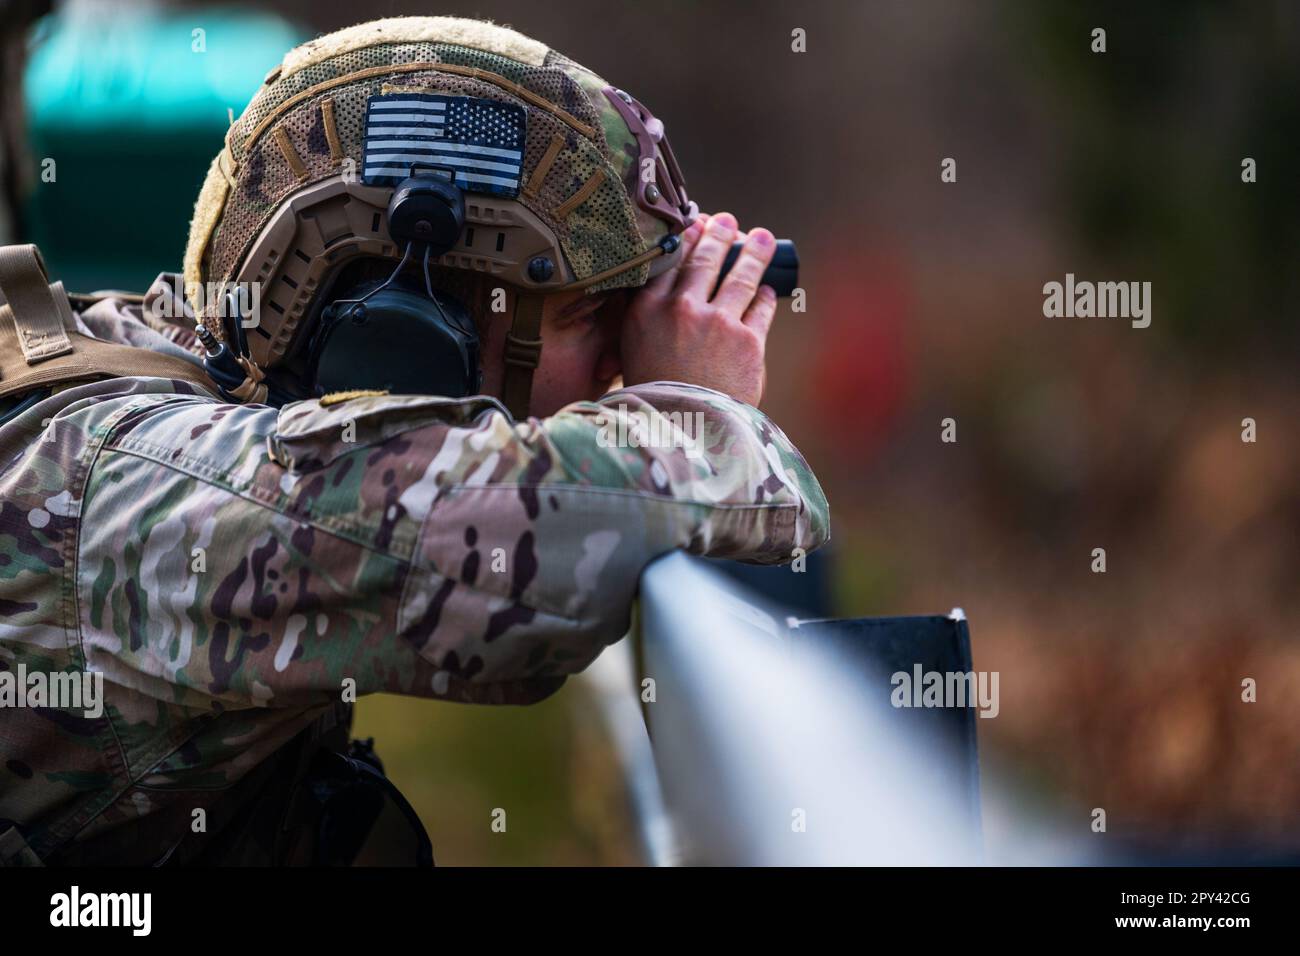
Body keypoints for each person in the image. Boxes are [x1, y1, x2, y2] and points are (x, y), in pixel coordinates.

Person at [0, 16, 828, 866]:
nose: (621, 365)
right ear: (414, 334)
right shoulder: (155, 487)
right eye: (588, 316)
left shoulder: (187, 363)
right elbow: (541, 542)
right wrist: (696, 402)